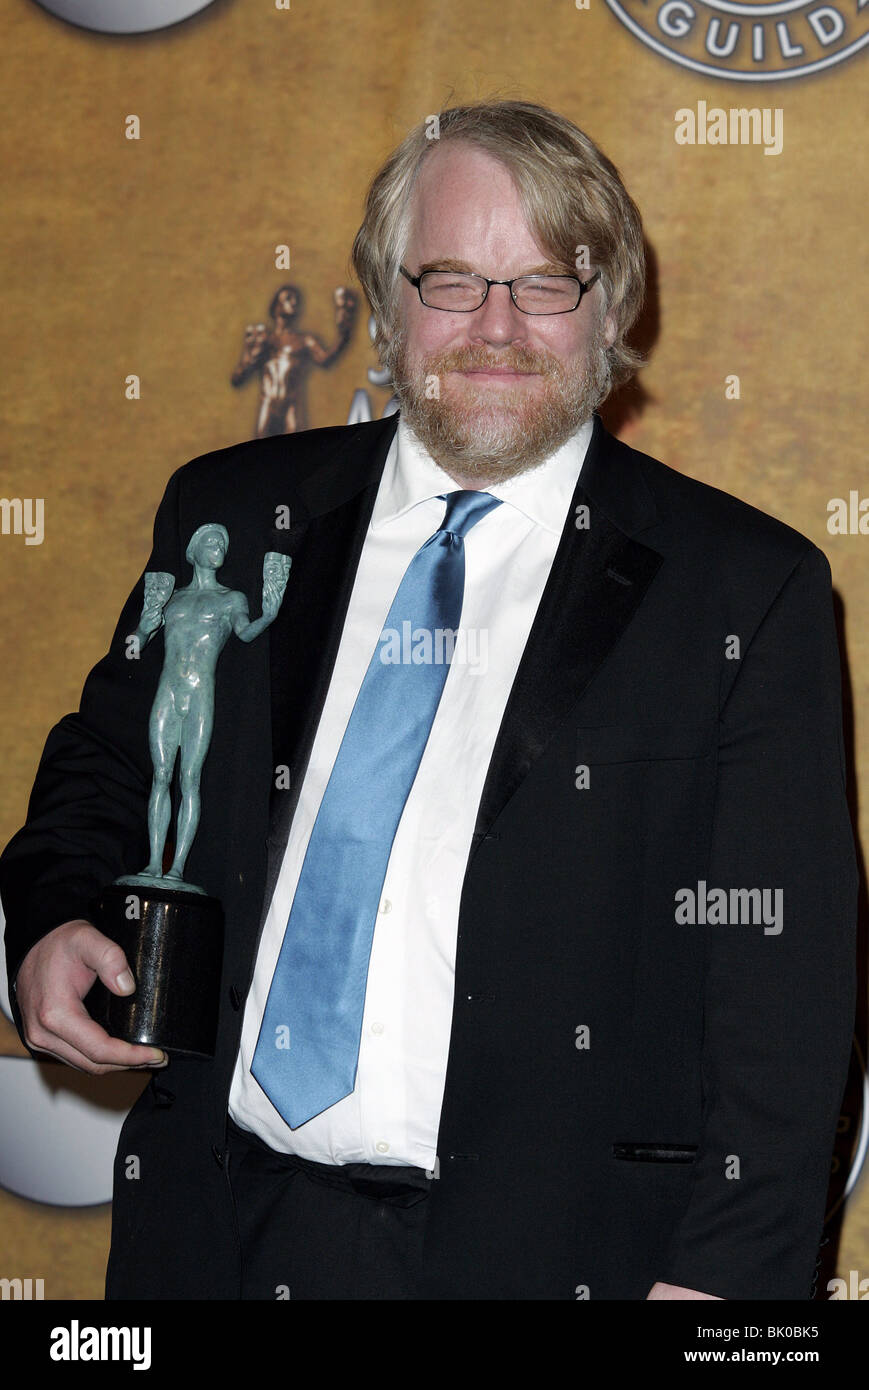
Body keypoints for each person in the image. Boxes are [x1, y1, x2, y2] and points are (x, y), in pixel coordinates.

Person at [0, 99, 857, 1301]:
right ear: (386, 302)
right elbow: (109, 764)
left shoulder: (744, 588)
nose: (497, 327)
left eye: (546, 282)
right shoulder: (239, 517)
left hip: (557, 1258)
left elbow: (782, 978)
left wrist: (722, 1285)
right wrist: (49, 916)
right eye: (451, 279)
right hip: (215, 1230)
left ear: (609, 310)